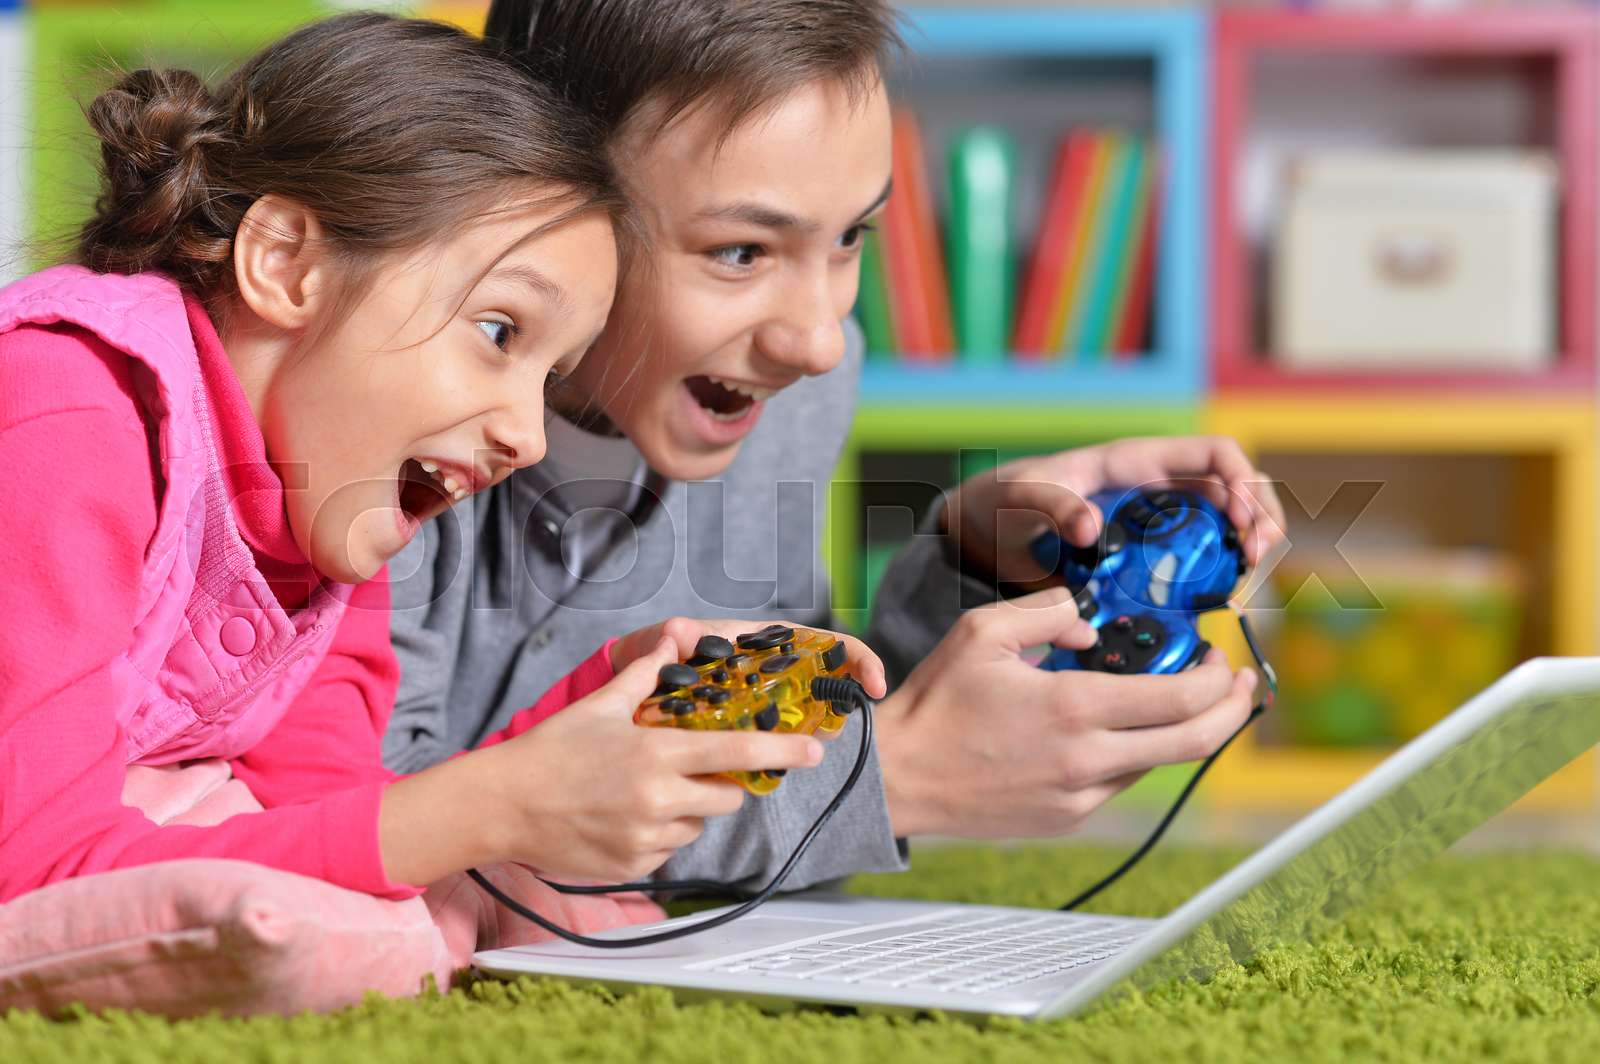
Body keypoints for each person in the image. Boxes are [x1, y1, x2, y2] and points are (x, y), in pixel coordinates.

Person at [0, 12, 883, 920]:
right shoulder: (64, 405)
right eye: (498, 333)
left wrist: (600, 706)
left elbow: (344, 818)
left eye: (551, 377)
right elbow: (26, 878)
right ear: (287, 263)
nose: (529, 439)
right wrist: (497, 807)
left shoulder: (327, 511)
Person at [384, 0, 1285, 890]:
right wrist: (897, 778)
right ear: (537, 203)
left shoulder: (793, 385)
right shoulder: (382, 414)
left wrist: (974, 557)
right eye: (741, 252)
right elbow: (371, 825)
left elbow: (775, 731)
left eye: (851, 236)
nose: (819, 340)